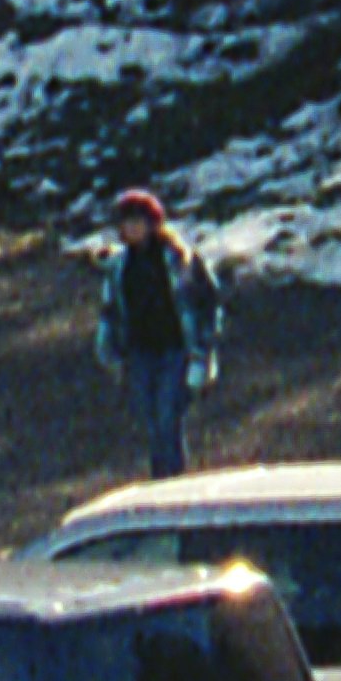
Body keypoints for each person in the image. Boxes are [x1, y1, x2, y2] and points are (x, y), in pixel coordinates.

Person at [92, 186, 220, 471]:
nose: (132, 228)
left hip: (176, 349)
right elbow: (111, 310)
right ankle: (160, 477)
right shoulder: (118, 266)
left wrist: (203, 349)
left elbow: (207, 302)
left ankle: (173, 483)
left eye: (138, 221)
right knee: (149, 421)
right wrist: (108, 348)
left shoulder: (179, 259)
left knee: (167, 416)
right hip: (140, 353)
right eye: (126, 222)